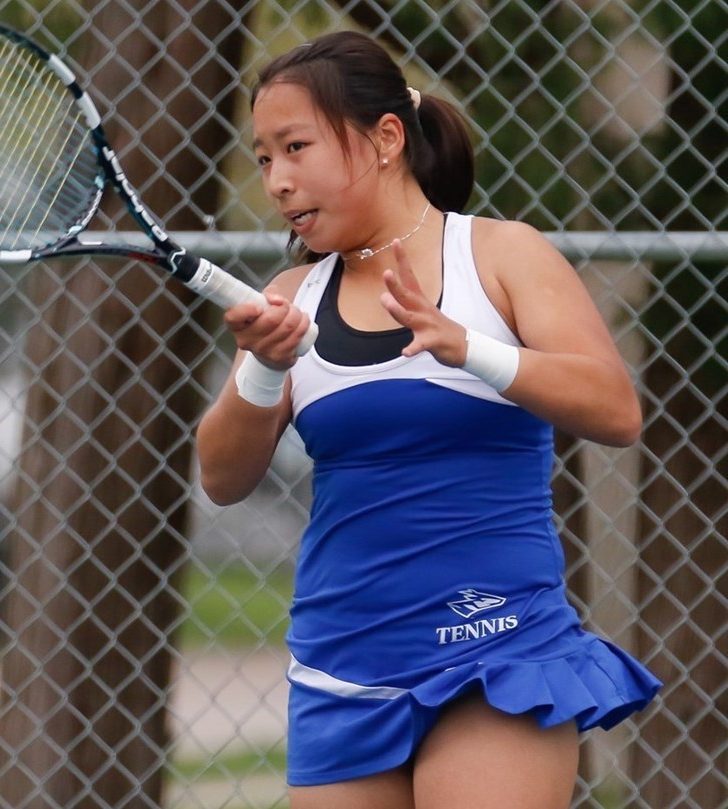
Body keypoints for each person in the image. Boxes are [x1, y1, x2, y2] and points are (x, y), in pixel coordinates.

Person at [195, 30, 661, 809]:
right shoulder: (290, 296)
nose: (276, 179)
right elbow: (221, 476)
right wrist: (267, 366)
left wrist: (470, 349)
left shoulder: (501, 256)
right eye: (265, 155)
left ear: (385, 139)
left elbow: (614, 410)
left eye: (295, 146)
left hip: (497, 649)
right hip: (342, 664)